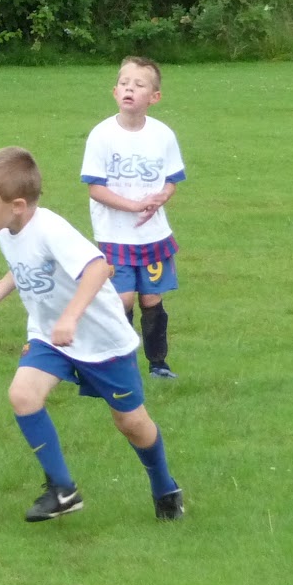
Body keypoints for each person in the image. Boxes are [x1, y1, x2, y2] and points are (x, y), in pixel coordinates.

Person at [0, 146, 183, 523]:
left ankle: (164, 487)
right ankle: (62, 489)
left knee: (131, 422)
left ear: (16, 204)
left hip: (101, 342)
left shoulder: (51, 229)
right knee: (22, 394)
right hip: (50, 337)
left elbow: (98, 268)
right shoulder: (8, 230)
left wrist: (71, 318)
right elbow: (23, 264)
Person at [80, 57, 186, 379]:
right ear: (115, 91)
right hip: (115, 235)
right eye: (125, 83)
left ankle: (158, 364)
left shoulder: (163, 135)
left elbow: (172, 180)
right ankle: (120, 364)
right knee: (121, 300)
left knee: (152, 298)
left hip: (152, 236)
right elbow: (95, 189)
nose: (130, 88)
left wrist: (160, 198)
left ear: (154, 97)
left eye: (139, 85)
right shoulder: (101, 135)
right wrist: (133, 206)